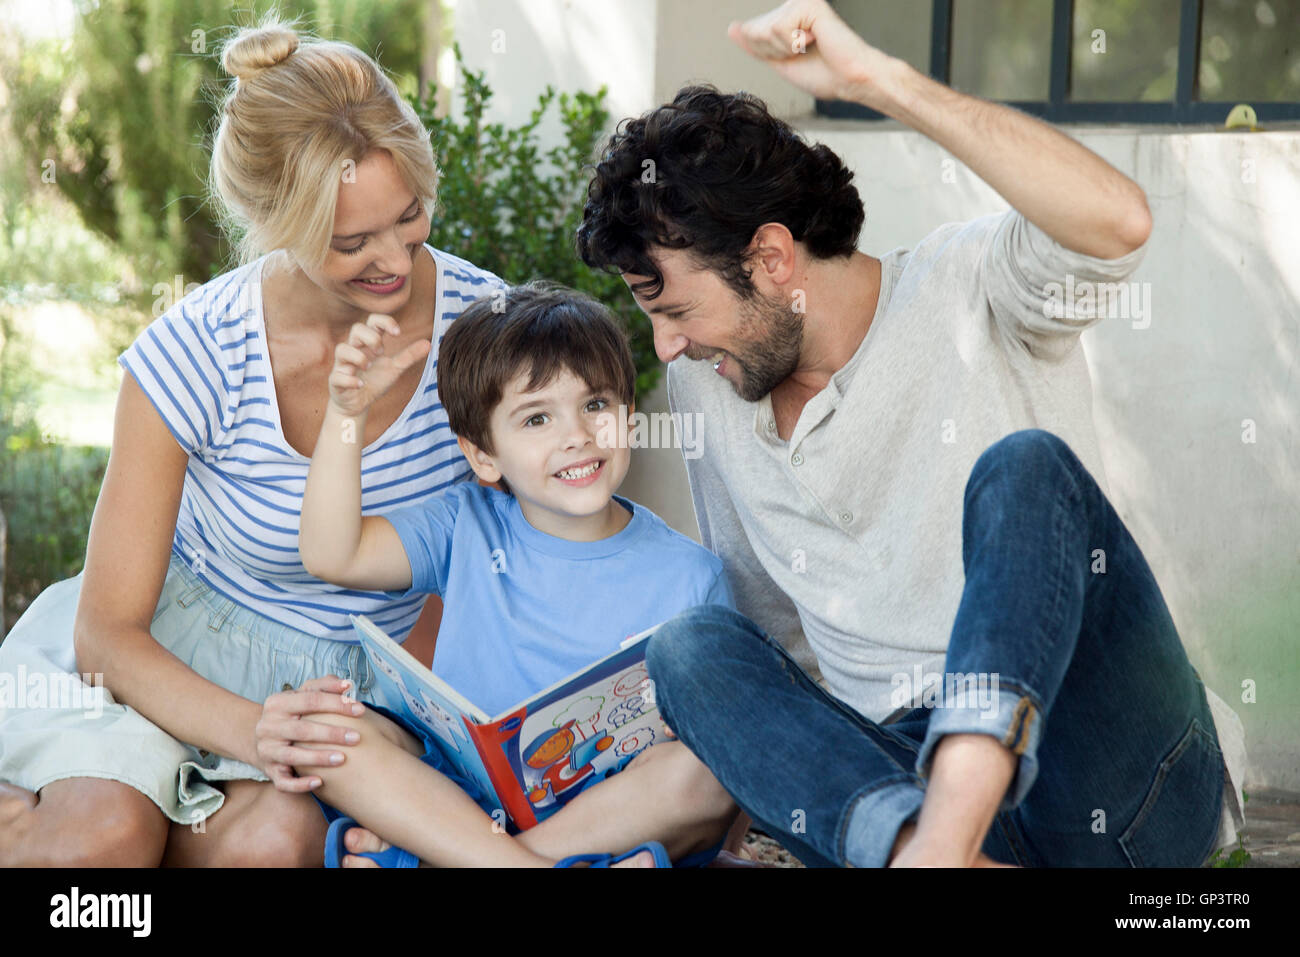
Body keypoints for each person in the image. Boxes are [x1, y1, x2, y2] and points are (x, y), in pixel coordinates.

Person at [576, 0, 1246, 867]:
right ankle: (937, 851)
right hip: (902, 781)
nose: (666, 344)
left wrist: (875, 80)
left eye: (674, 307)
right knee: (691, 648)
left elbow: (1116, 224)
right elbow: (773, 628)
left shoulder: (970, 283)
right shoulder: (707, 387)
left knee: (1027, 468)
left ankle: (941, 849)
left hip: (1108, 775)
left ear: (773, 259)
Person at [0, 19, 505, 865]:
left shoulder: (484, 330)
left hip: (352, 690)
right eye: (351, 243)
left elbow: (492, 563)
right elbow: (108, 634)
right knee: (105, 836)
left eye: (410, 217)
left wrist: (397, 722)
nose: (394, 262)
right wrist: (253, 728)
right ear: (276, 224)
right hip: (164, 658)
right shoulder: (198, 350)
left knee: (274, 845)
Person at [274, 282, 737, 867]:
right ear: (483, 456)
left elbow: (722, 744)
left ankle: (446, 860)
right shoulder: (463, 523)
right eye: (537, 417)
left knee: (704, 773)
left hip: (598, 816)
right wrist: (346, 417)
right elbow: (331, 553)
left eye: (596, 405)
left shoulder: (691, 577)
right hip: (457, 797)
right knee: (322, 728)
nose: (577, 435)